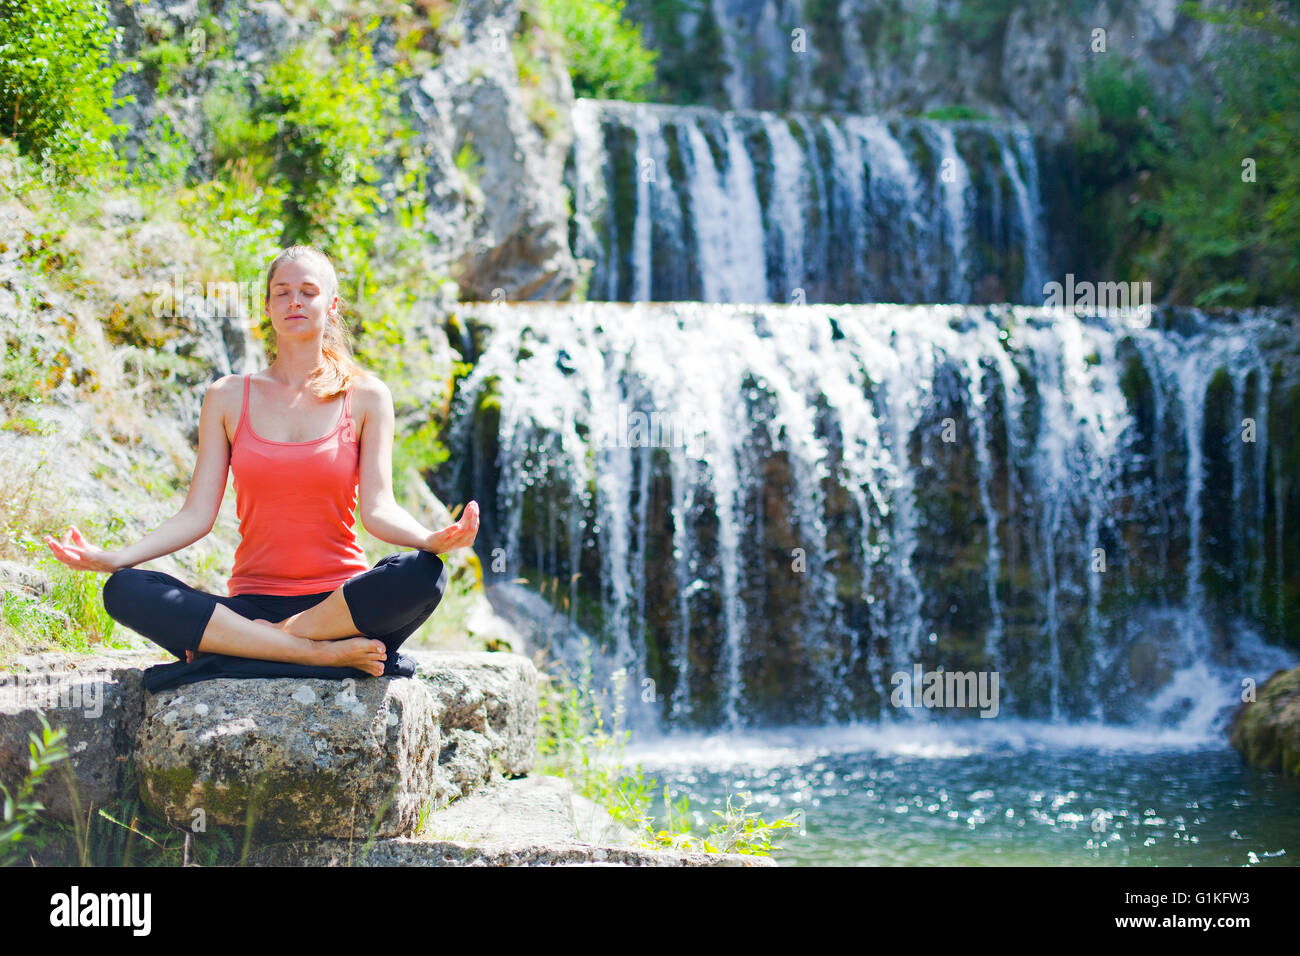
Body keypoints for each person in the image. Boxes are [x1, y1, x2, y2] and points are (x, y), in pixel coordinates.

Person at [43, 244, 480, 692]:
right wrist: (117, 558)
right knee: (125, 589)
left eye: (308, 292)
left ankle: (249, 649)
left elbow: (379, 508)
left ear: (330, 305)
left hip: (338, 608)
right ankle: (318, 655)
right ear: (268, 306)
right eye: (282, 292)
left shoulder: (366, 395)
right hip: (249, 609)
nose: (294, 301)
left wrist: (430, 539)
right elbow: (196, 515)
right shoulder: (228, 396)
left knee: (425, 574)